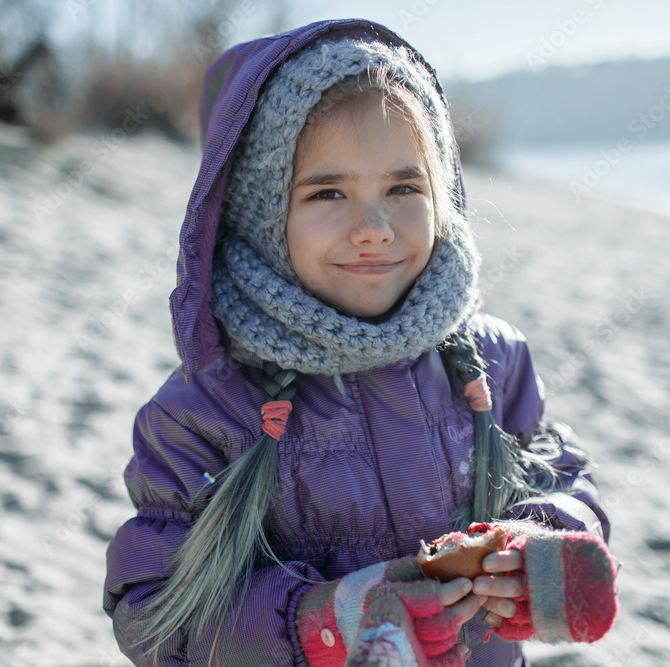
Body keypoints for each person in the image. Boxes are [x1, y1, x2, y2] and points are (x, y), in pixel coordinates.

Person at [103, 18, 619, 667]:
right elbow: (152, 607)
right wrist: (325, 623)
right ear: (261, 215)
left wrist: (540, 543)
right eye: (328, 193)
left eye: (403, 188)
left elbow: (558, 469)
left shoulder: (491, 361)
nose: (373, 228)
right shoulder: (207, 408)